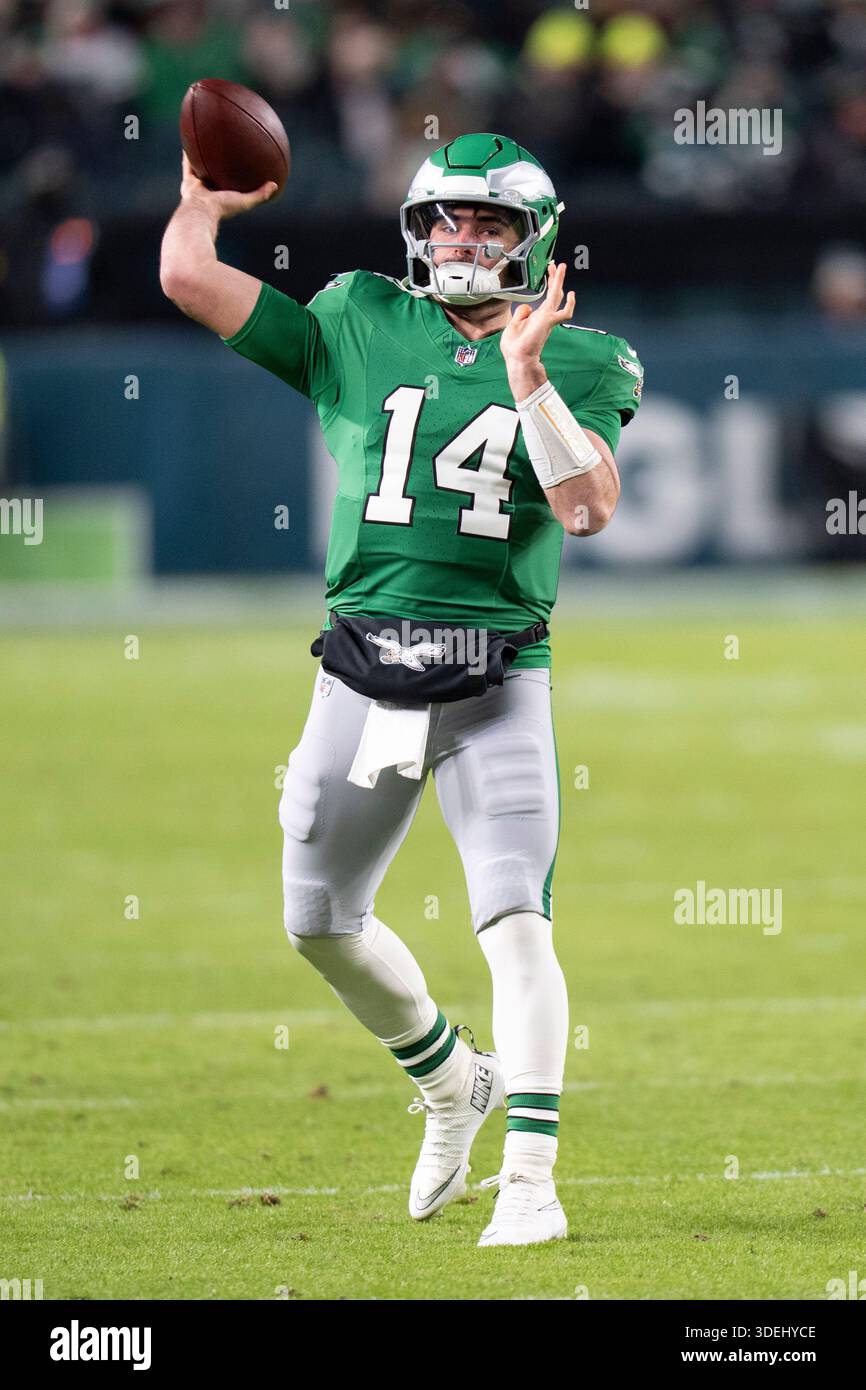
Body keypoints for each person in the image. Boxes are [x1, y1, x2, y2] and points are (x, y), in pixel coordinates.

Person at [160, 132, 643, 1247]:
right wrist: (200, 200)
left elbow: (584, 510)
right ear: (415, 230)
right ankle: (446, 1078)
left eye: (487, 223)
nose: (460, 239)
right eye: (444, 219)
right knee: (318, 920)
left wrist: (527, 380)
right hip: (366, 666)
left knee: (517, 924)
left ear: (536, 240)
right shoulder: (358, 317)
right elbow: (190, 277)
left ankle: (529, 1179)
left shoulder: (585, 358)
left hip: (494, 676)